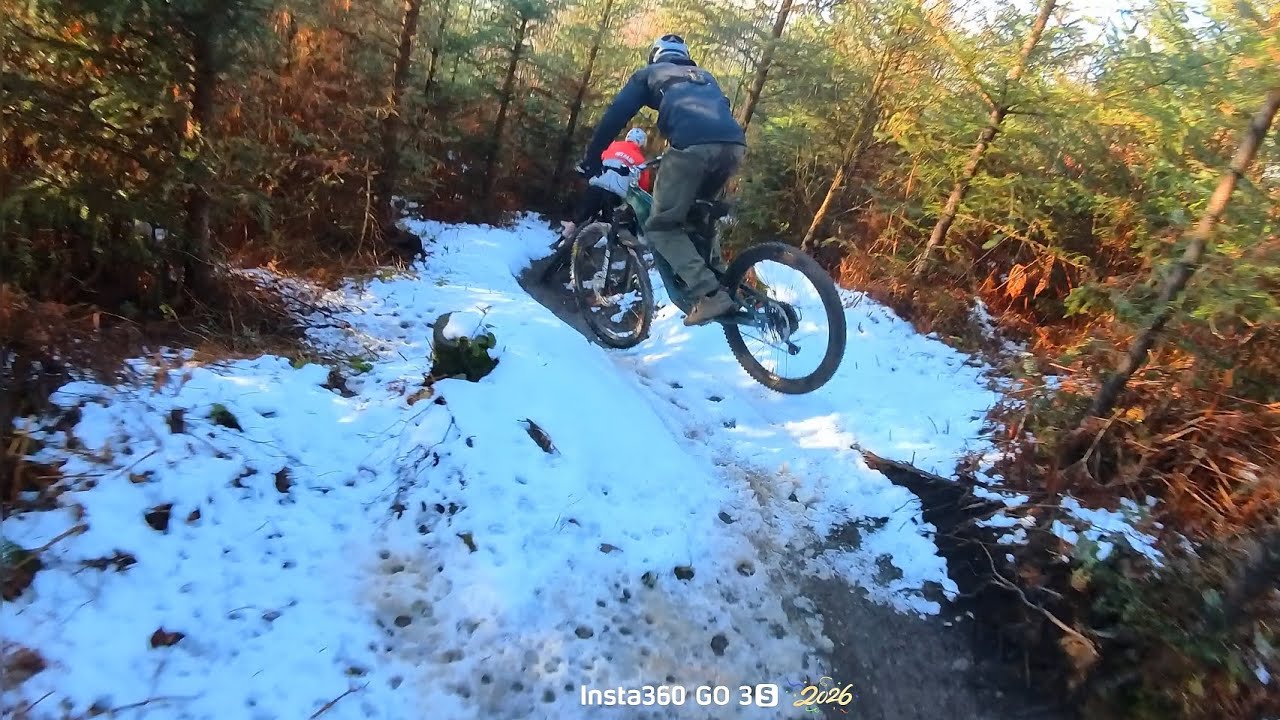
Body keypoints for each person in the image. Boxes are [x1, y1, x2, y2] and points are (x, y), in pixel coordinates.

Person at [576, 34, 747, 327]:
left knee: (661, 225)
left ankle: (709, 294)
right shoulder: (705, 77)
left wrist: (592, 159)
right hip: (734, 146)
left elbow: (616, 115)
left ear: (656, 56)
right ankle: (727, 283)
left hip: (691, 147)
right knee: (699, 217)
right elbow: (722, 110)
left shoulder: (650, 74)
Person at [560, 127, 649, 240]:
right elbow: (643, 186)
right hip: (616, 197)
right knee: (609, 226)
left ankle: (568, 231)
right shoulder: (641, 160)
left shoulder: (613, 146)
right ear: (641, 143)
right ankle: (598, 244)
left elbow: (602, 157)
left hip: (597, 188)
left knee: (581, 215)